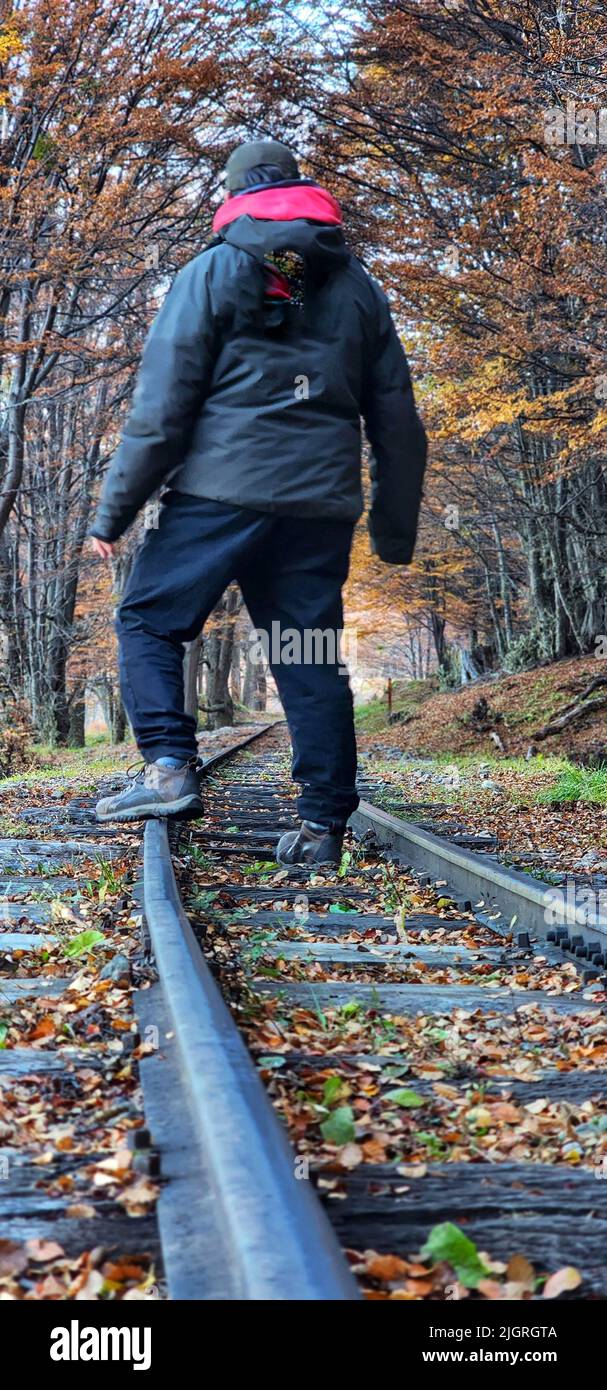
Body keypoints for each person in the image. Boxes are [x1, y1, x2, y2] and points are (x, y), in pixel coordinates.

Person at [91, 138, 427, 865]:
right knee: (306, 657)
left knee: (148, 618)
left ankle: (169, 768)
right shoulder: (358, 287)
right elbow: (397, 419)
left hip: (219, 494)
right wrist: (394, 533)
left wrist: (112, 513)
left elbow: (161, 407)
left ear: (235, 196)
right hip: (318, 508)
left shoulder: (209, 271)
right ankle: (319, 827)